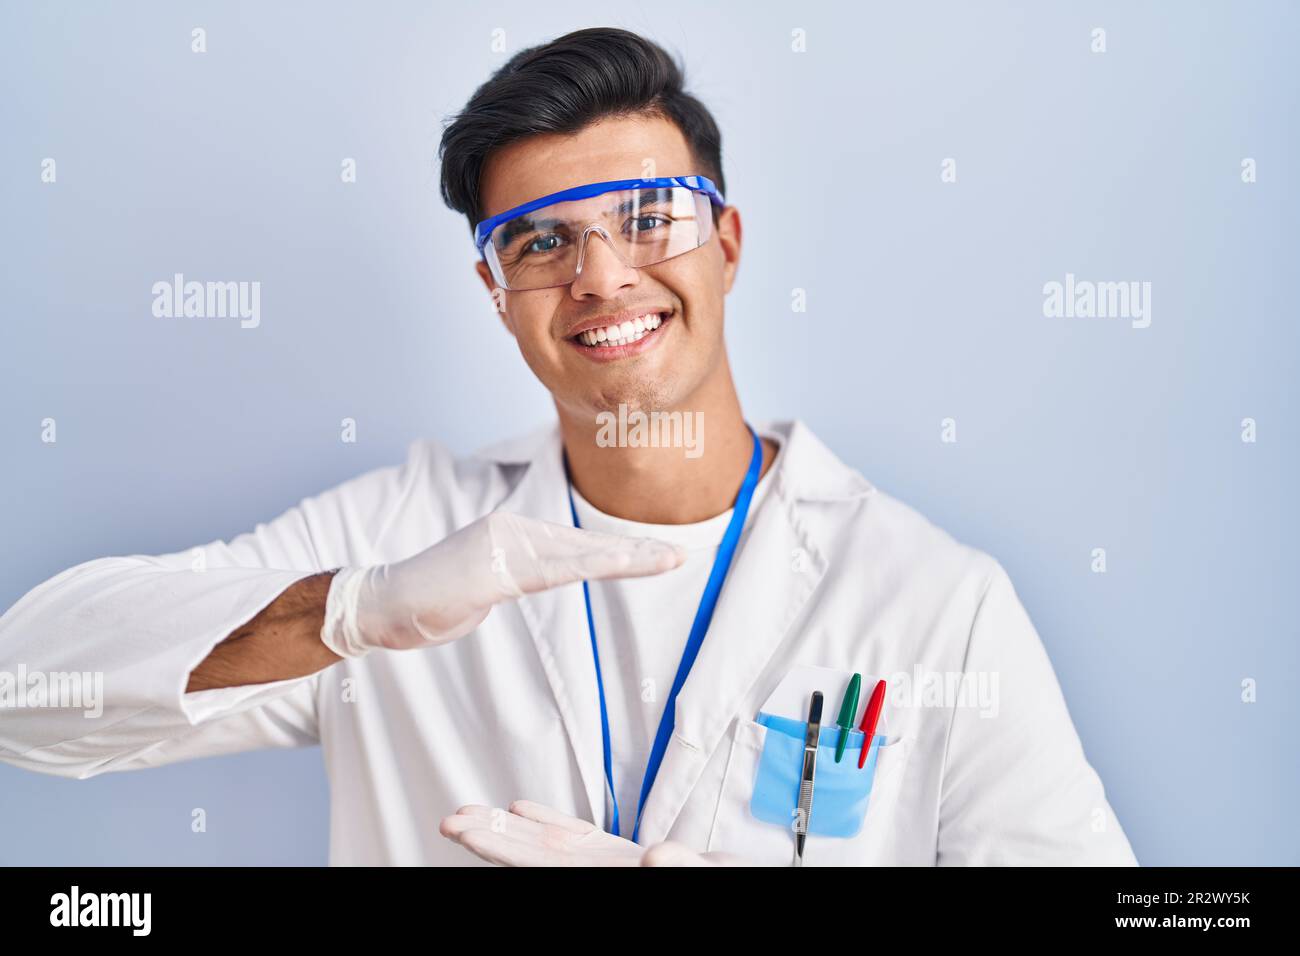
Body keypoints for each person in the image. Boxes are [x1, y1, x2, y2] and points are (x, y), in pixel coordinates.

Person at [0, 27, 1136, 867]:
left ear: (726, 243)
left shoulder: (932, 599)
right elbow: (22, 696)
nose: (600, 275)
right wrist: (352, 609)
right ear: (496, 292)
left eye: (648, 216)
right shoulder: (395, 534)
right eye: (540, 240)